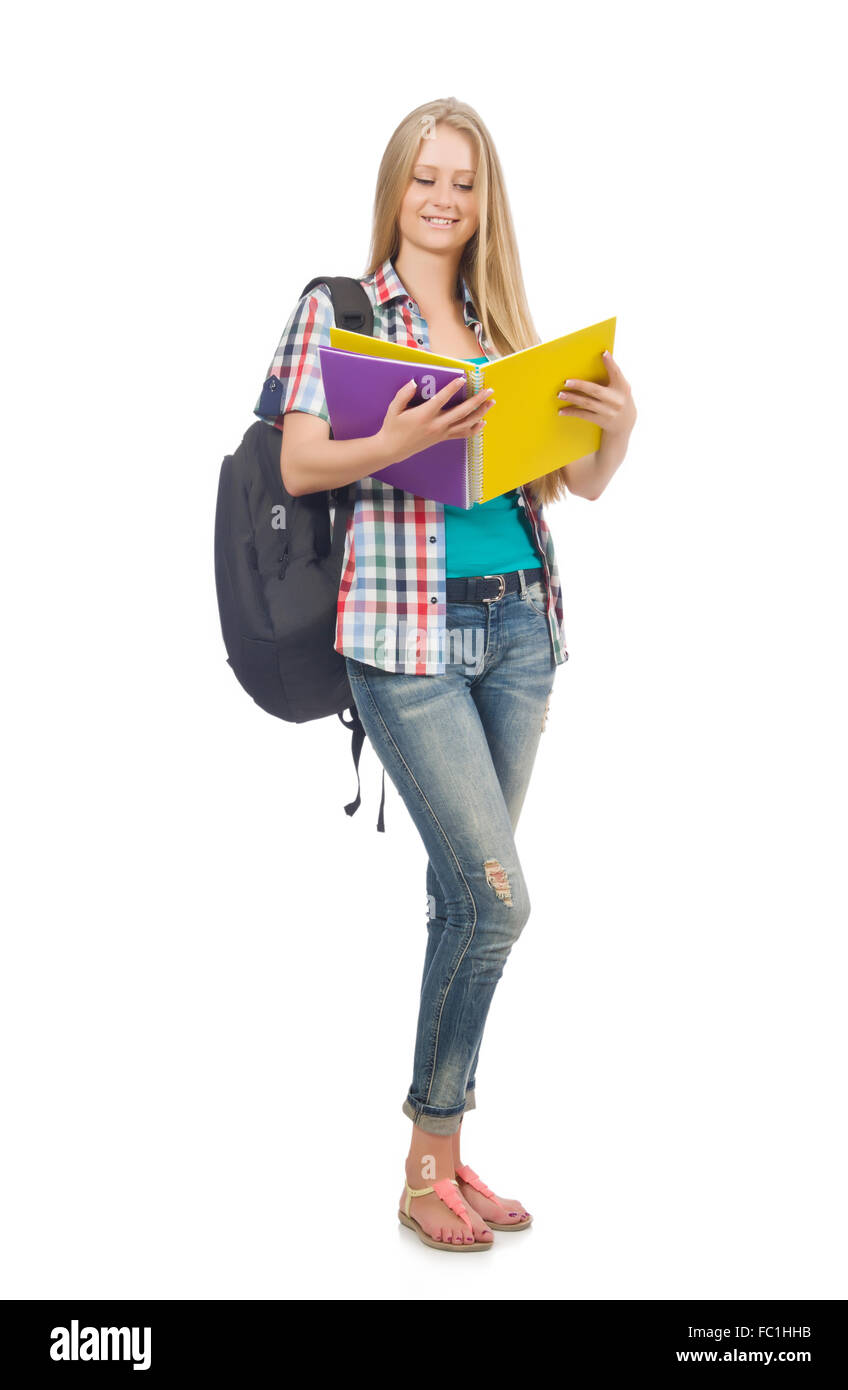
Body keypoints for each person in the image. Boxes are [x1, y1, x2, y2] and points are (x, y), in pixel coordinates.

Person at [253, 97, 637, 1253]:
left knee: (462, 903)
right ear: (397, 185)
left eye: (464, 182)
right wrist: (400, 443)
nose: (444, 199)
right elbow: (300, 456)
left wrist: (619, 429)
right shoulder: (343, 308)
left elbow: (572, 487)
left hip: (519, 628)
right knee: (499, 899)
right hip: (402, 642)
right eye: (427, 176)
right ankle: (429, 1153)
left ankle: (446, 1162)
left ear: (484, 201)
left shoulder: (493, 320)